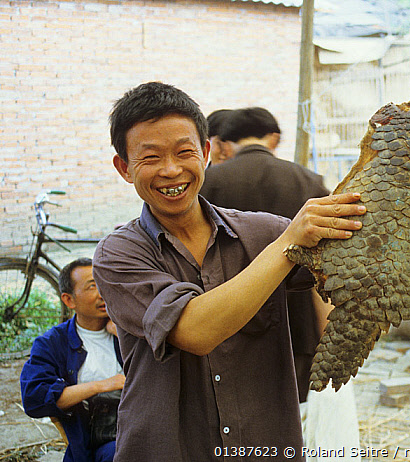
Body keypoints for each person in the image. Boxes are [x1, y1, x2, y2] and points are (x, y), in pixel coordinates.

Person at [91, 81, 365, 461]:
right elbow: (195, 330)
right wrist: (287, 246)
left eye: (184, 152)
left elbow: (357, 265)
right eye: (150, 158)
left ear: (205, 152)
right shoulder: (119, 254)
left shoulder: (264, 231)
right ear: (124, 167)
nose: (171, 170)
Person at [200, 107, 330, 402]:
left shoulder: (210, 183)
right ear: (274, 138)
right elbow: (332, 257)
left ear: (225, 142)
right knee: (287, 412)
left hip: (224, 316)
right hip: (296, 319)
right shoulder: (307, 181)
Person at [20, 258, 124, 462]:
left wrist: (124, 335)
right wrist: (102, 385)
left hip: (143, 428)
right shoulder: (52, 343)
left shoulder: (127, 330)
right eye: (93, 286)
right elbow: (34, 399)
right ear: (69, 300)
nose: (103, 292)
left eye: (104, 282)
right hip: (96, 442)